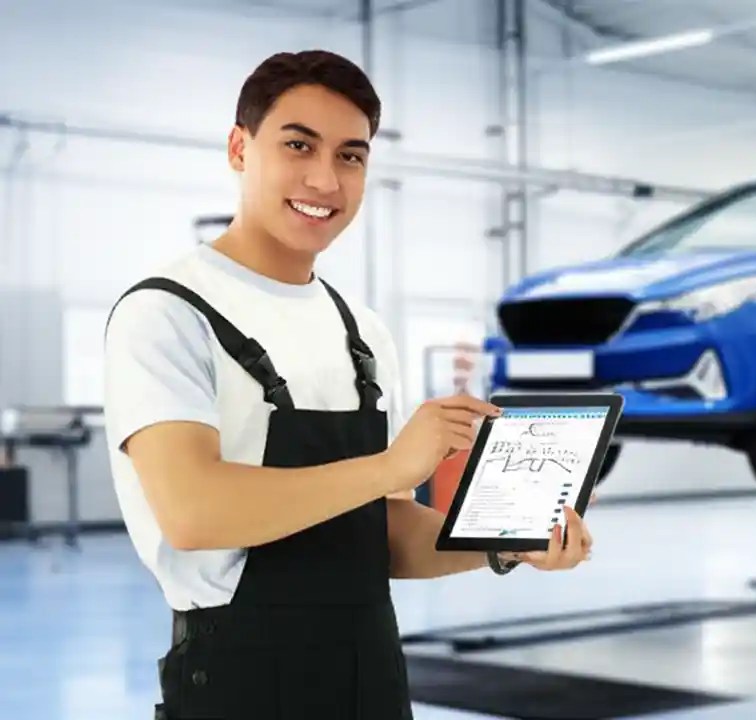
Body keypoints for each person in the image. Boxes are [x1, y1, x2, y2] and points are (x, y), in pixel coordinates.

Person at [102, 49, 594, 720]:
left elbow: (380, 534)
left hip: (371, 677)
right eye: (298, 145)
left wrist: (506, 542)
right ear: (239, 149)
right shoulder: (166, 312)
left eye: (351, 156)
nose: (325, 179)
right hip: (238, 683)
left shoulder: (358, 330)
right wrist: (394, 463)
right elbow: (193, 512)